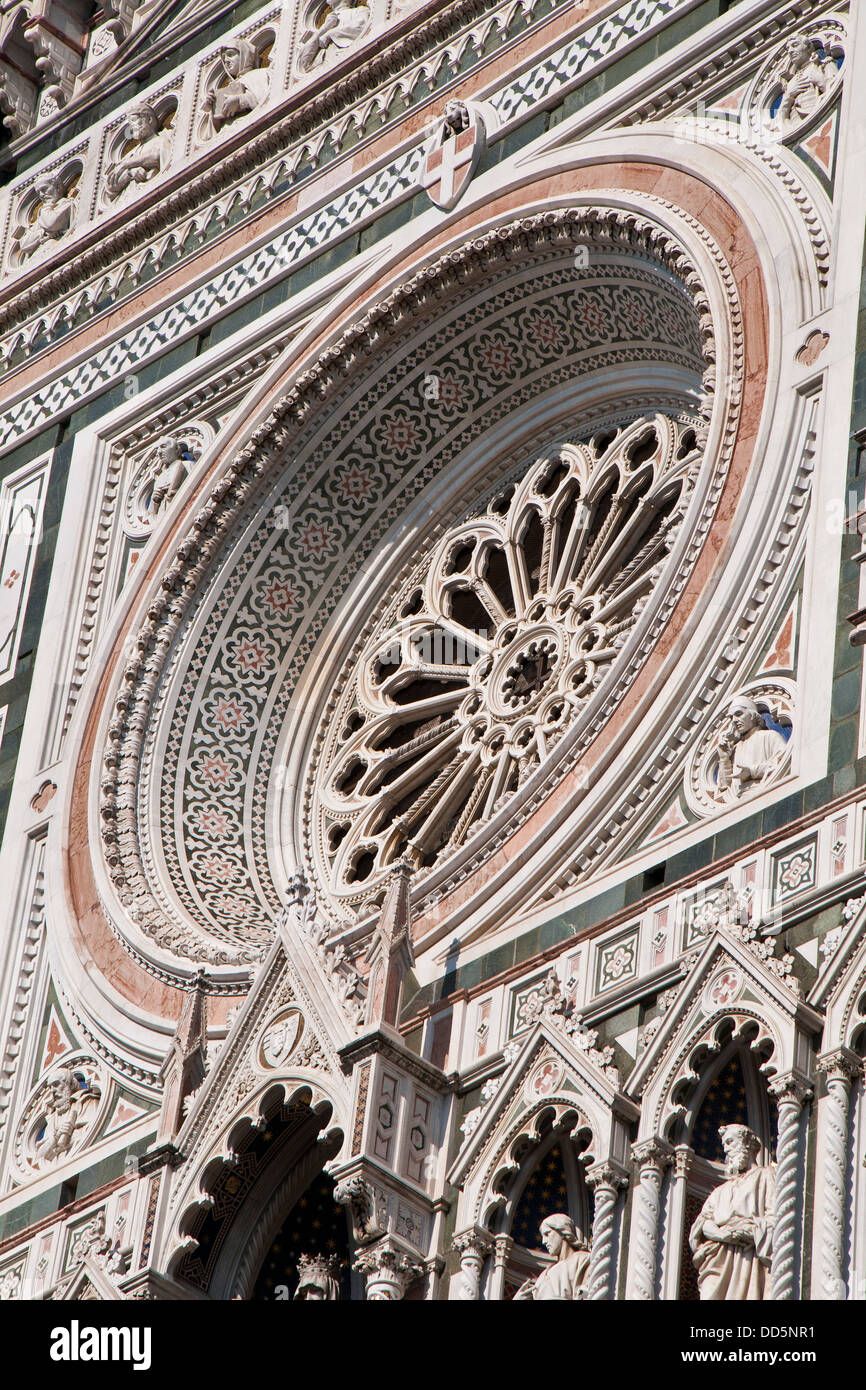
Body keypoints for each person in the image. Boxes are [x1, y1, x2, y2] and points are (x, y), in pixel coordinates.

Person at [689, 1124, 775, 1300]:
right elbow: (703, 1223)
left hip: (750, 1255)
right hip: (719, 1257)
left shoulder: (767, 1176)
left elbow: (776, 1218)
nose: (726, 1150)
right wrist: (723, 1235)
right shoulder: (720, 1191)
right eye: (724, 1145)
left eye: (730, 1142)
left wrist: (750, 1230)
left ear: (747, 1144)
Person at [716, 696, 786, 797]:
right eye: (731, 717)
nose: (734, 721)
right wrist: (724, 759)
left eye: (739, 714)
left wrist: (752, 771)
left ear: (753, 715)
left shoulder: (769, 736)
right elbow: (723, 787)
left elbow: (781, 764)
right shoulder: (735, 748)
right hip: (739, 802)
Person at [513, 1213, 591, 1299]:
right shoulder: (543, 1275)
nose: (544, 1241)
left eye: (547, 1234)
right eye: (542, 1237)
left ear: (562, 1232)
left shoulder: (583, 1259)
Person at [202, 42, 269, 131]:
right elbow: (215, 130)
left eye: (230, 55)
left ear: (244, 55)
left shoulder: (258, 75)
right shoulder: (229, 87)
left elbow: (266, 100)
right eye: (224, 59)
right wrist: (212, 108)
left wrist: (239, 101)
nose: (226, 61)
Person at [105, 105, 167, 200]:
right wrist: (130, 173)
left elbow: (156, 155)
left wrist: (126, 164)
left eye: (133, 120)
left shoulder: (162, 140)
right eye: (130, 123)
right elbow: (110, 186)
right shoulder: (131, 154)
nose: (131, 127)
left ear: (149, 119)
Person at [12, 172, 75, 260]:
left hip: (56, 252)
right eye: (39, 192)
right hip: (37, 257)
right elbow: (24, 244)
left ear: (57, 186)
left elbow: (50, 223)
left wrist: (46, 207)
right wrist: (43, 233)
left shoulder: (65, 204)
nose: (41, 195)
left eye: (44, 189)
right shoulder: (41, 217)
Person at [298, 1, 370, 73]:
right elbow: (305, 63)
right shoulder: (327, 23)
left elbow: (360, 28)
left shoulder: (360, 11)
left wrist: (330, 34)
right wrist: (324, 29)